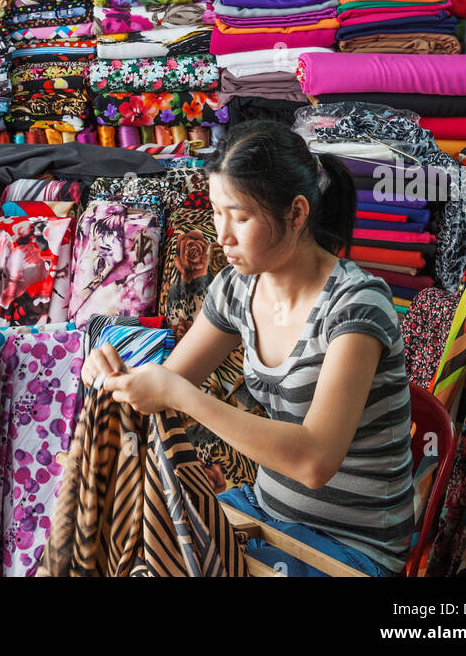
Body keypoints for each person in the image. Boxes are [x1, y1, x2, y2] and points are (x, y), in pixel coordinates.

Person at [80, 120, 415, 577]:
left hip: (353, 548)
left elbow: (314, 460)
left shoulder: (357, 305)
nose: (223, 236)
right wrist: (112, 376)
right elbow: (169, 383)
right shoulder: (238, 288)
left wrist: (180, 397)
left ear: (297, 213)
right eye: (217, 213)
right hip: (265, 510)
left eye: (240, 217)